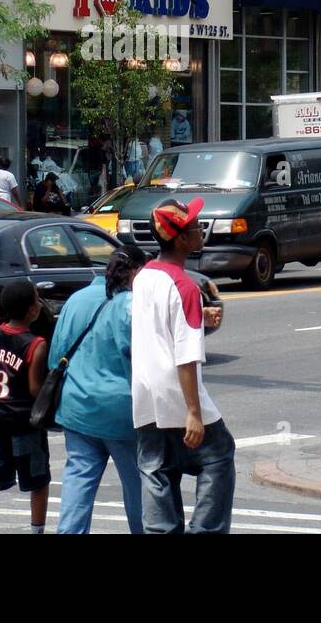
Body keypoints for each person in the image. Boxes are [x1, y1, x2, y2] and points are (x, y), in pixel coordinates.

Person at [131, 197, 234, 534]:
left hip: (147, 395)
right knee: (218, 455)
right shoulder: (186, 286)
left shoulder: (145, 276)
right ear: (180, 239)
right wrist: (194, 412)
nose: (200, 229)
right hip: (179, 394)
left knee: (157, 469)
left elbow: (158, 322)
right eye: (194, 226)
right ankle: (205, 529)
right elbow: (186, 357)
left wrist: (199, 316)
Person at [51, 246, 147, 535]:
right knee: (139, 485)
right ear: (135, 272)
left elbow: (56, 357)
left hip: (76, 407)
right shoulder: (132, 305)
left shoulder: (76, 299)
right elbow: (143, 361)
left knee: (78, 481)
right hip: (122, 412)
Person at [0, 279, 50, 534]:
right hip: (24, 423)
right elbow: (36, 389)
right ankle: (37, 529)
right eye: (37, 299)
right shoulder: (35, 344)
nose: (39, 303)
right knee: (37, 479)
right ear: (31, 310)